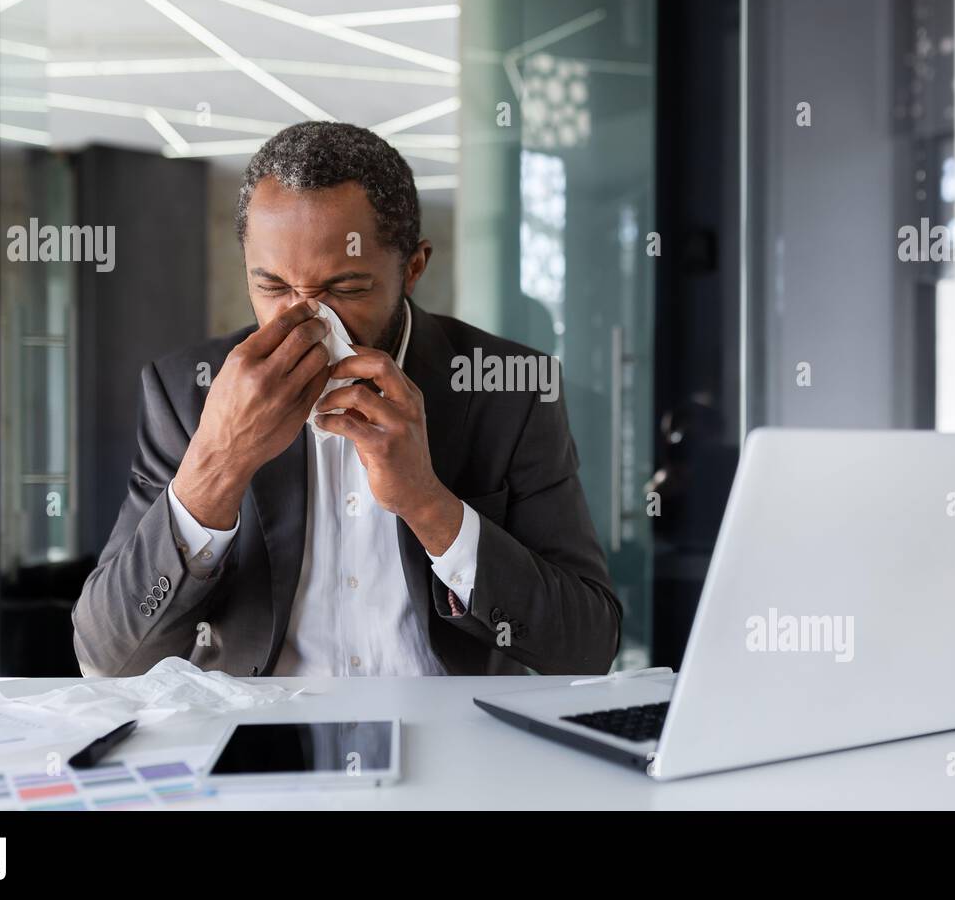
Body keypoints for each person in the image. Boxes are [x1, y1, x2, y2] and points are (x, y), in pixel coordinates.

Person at [71, 122, 620, 678]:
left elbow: (587, 644)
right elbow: (110, 657)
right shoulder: (185, 394)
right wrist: (220, 463)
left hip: (452, 740)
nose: (307, 320)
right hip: (261, 744)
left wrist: (431, 506)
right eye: (273, 287)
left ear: (413, 268)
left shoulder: (509, 389)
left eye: (346, 288)